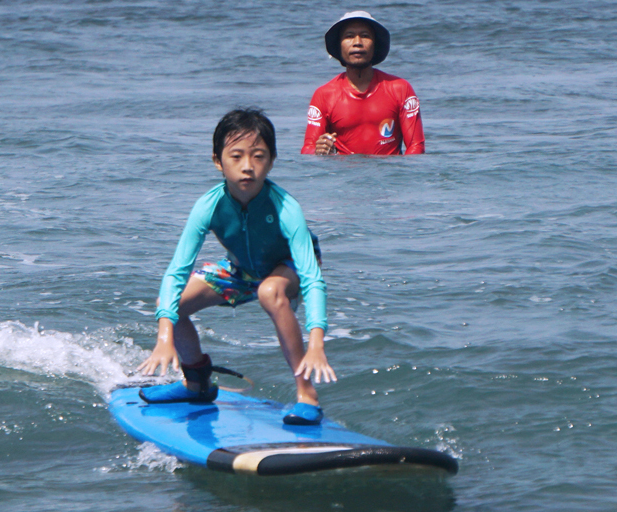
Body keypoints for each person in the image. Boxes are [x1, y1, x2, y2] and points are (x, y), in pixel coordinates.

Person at [137, 108, 336, 426]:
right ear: (218, 161)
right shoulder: (209, 205)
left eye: (258, 156)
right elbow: (176, 271)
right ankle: (196, 382)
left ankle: (306, 395)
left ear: (271, 161)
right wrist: (164, 337)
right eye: (236, 156)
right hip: (241, 269)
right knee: (169, 304)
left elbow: (312, 279)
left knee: (271, 291)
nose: (247, 167)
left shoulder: (286, 207)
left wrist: (316, 343)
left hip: (290, 268)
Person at [301, 11, 425, 156]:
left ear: (376, 45)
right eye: (349, 36)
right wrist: (318, 150)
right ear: (339, 46)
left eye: (365, 36)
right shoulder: (324, 95)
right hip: (344, 176)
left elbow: (417, 147)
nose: (357, 42)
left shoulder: (400, 89)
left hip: (388, 176)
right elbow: (307, 149)